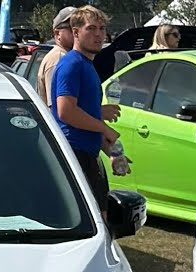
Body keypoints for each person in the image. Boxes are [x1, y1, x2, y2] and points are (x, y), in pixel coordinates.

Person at [50, 5, 123, 220]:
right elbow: (66, 112)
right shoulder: (71, 64)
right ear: (75, 32)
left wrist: (112, 152)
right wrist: (104, 128)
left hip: (88, 155)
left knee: (100, 218)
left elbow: (86, 115)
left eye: (102, 28)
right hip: (74, 154)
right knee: (90, 221)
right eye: (91, 29)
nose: (99, 34)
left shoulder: (87, 65)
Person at [36, 7, 77, 108]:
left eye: (80, 25)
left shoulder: (69, 57)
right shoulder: (58, 59)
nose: (77, 31)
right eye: (71, 27)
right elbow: (56, 108)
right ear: (57, 33)